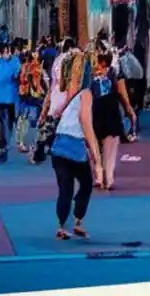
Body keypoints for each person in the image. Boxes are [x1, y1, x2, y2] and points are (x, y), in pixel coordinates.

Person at [48, 48, 101, 241]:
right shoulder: (86, 94)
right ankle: (76, 220)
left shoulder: (65, 91)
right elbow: (86, 124)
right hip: (75, 147)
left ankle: (63, 226)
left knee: (66, 188)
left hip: (60, 145)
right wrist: (98, 161)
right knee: (85, 183)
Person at [90, 43, 137, 190]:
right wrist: (129, 110)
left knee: (96, 146)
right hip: (110, 112)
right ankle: (108, 178)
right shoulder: (115, 74)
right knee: (110, 148)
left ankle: (99, 175)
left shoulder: (90, 76)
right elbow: (122, 94)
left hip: (96, 111)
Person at [0, 44, 21, 165]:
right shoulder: (13, 62)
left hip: (0, 97)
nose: (8, 54)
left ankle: (1, 147)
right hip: (5, 98)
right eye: (7, 51)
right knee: (5, 124)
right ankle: (2, 147)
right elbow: (17, 75)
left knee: (2, 124)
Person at [17, 50, 47, 155]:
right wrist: (41, 90)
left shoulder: (24, 66)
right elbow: (37, 81)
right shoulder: (36, 67)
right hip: (33, 96)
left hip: (24, 94)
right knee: (32, 121)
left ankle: (21, 141)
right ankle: (31, 145)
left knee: (24, 118)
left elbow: (20, 78)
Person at [118, 45, 146, 114]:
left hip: (134, 77)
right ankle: (136, 107)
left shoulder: (123, 58)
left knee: (132, 94)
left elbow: (127, 72)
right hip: (139, 77)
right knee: (135, 94)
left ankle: (132, 108)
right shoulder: (131, 56)